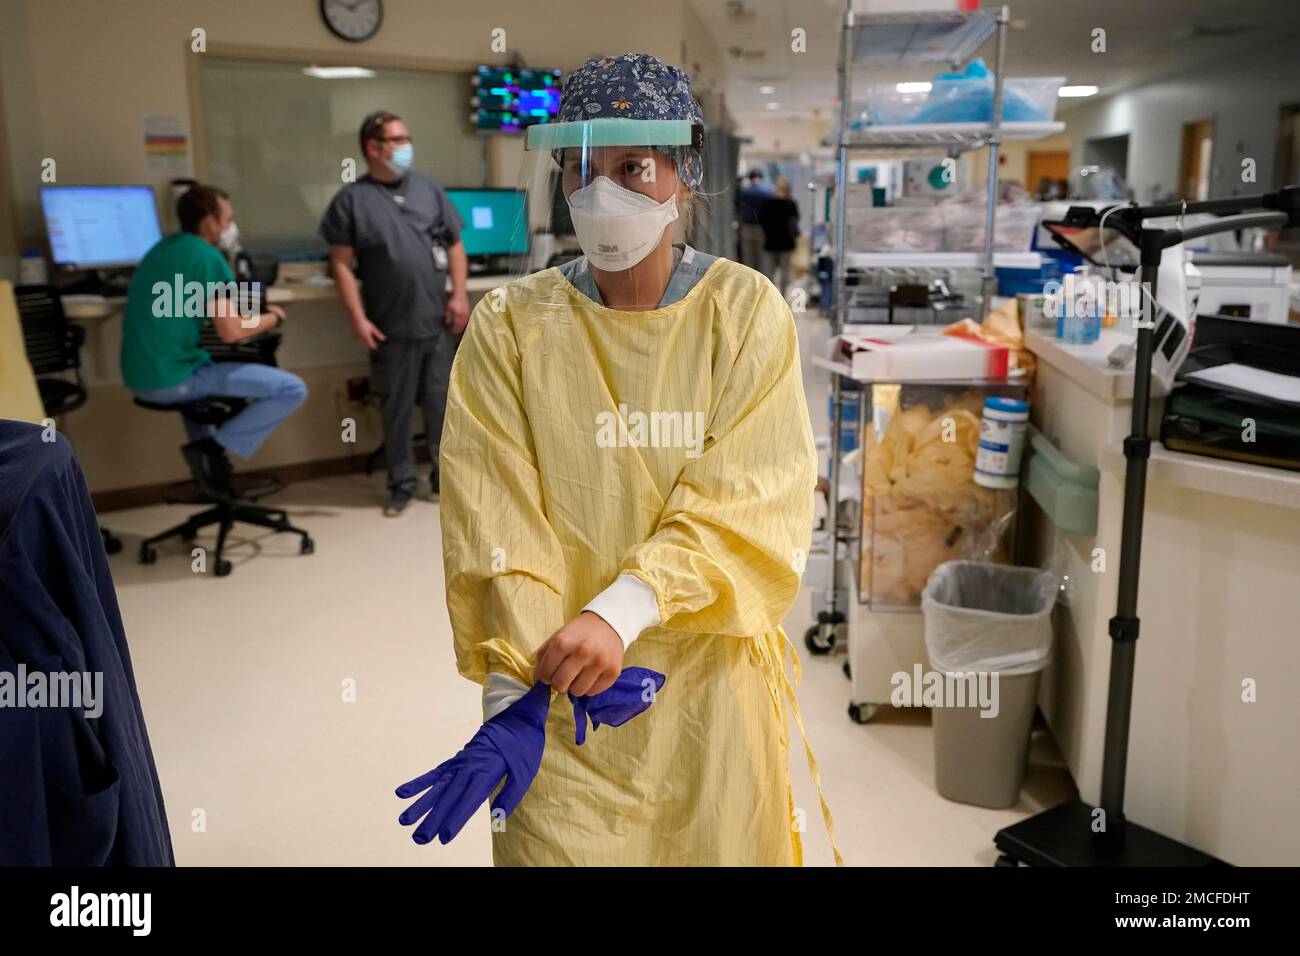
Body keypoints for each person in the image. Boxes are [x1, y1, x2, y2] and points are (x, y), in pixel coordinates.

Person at [399, 53, 840, 866]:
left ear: (685, 174)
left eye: (633, 166)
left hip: (704, 683)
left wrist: (624, 611)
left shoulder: (744, 313)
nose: (603, 193)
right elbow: (495, 517)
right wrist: (512, 699)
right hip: (561, 688)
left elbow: (746, 501)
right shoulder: (509, 328)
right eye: (581, 168)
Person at [320, 111, 470, 516]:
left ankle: (444, 482)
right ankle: (401, 484)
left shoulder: (428, 189)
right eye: (398, 139)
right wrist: (357, 318)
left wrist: (458, 295)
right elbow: (340, 265)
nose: (406, 146)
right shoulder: (351, 201)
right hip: (389, 327)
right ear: (374, 147)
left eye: (407, 137)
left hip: (436, 321)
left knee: (442, 406)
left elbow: (454, 245)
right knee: (397, 410)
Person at [122, 184, 306, 499]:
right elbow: (231, 332)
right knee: (292, 389)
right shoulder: (207, 258)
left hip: (140, 376)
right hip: (173, 378)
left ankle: (212, 481)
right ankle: (211, 449)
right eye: (227, 220)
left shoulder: (160, 250)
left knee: (201, 390)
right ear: (209, 221)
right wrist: (274, 316)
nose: (230, 228)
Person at [759, 175, 800, 295]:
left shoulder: (768, 204)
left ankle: (770, 297)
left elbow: (763, 222)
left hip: (770, 242)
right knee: (784, 272)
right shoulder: (791, 204)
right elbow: (794, 224)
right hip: (786, 243)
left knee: (769, 272)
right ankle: (782, 296)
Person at [734, 168, 769, 267]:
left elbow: (737, 205)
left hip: (746, 227)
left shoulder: (744, 191)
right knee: (762, 257)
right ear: (761, 178)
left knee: (748, 257)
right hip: (762, 228)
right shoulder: (767, 192)